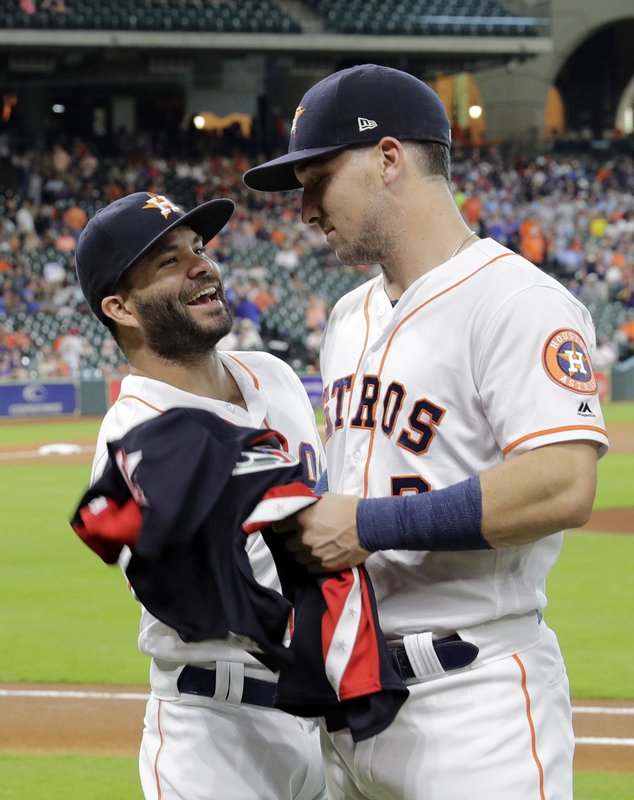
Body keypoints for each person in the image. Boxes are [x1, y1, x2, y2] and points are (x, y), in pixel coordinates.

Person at [244, 64, 610, 800]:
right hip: (357, 699)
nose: (306, 209)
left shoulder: (517, 301)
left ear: (387, 159)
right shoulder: (347, 318)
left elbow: (563, 483)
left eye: (317, 179)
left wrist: (371, 524)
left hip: (476, 704)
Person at [74, 191, 326, 800]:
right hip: (218, 735)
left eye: (198, 248)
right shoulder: (133, 442)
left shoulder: (275, 374)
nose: (201, 265)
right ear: (120, 307)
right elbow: (189, 598)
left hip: (327, 723)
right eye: (167, 261)